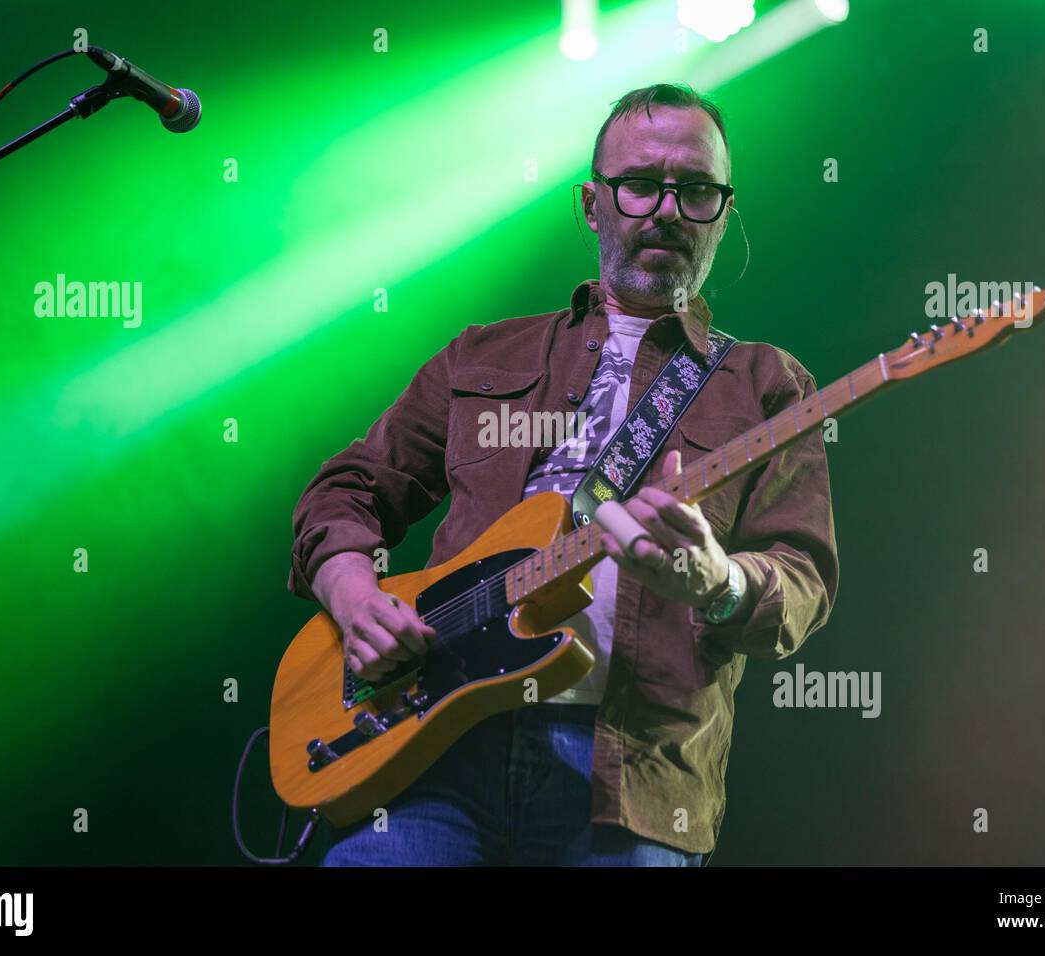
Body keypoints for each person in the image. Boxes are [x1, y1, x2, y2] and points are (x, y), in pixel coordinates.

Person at [288, 83, 839, 866]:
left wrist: (719, 581)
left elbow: (802, 581)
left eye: (698, 191)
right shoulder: (484, 354)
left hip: (630, 778)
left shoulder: (766, 384)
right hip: (431, 744)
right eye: (642, 183)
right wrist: (353, 597)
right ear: (593, 203)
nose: (667, 210)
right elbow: (348, 488)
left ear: (725, 209)